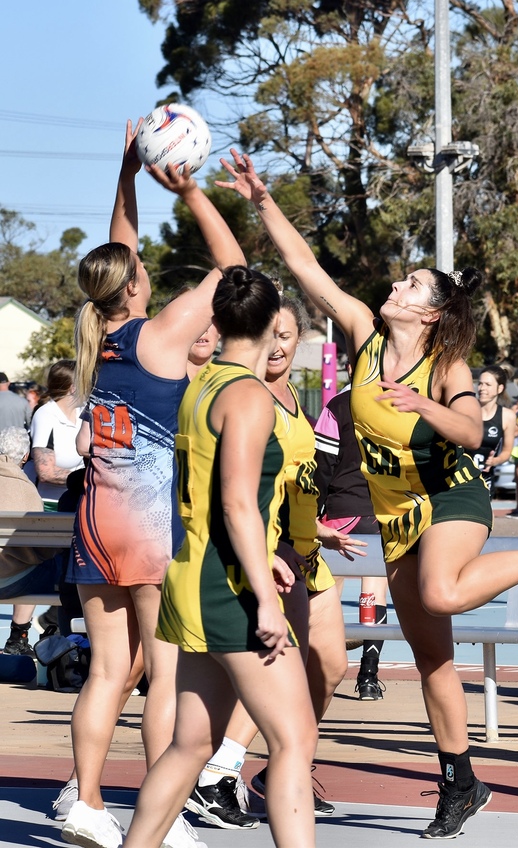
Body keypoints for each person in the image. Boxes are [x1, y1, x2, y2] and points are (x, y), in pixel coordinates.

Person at [215, 148, 518, 839]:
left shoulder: (447, 363)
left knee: (439, 592)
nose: (397, 286)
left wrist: (422, 405)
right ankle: (460, 782)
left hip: (451, 497)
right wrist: (261, 199)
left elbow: (471, 432)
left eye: (411, 284)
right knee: (433, 657)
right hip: (396, 515)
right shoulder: (364, 336)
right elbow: (307, 270)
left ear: (432, 313)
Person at [60, 120, 244, 848]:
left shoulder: (96, 337)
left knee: (108, 671)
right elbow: (235, 272)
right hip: (147, 529)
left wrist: (128, 176)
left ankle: (88, 802)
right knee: (162, 676)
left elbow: (118, 250)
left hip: (94, 521)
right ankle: (154, 821)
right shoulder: (160, 335)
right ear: (135, 284)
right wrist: (192, 193)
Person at [123, 266, 318, 848]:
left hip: (193, 572)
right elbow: (236, 502)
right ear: (273, 323)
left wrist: (263, 557)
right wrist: (262, 594)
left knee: (191, 744)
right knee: (293, 740)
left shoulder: (202, 381)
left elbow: (217, 497)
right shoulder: (249, 395)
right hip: (225, 588)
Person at [187, 292, 345, 825]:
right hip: (268, 553)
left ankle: (235, 769)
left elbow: (297, 479)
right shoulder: (245, 396)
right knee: (287, 709)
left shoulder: (297, 401)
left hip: (302, 550)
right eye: (270, 333)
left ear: (299, 340)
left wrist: (323, 529)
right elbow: (240, 496)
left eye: (286, 335)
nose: (277, 345)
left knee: (329, 666)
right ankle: (227, 771)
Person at [314, 380, 388, 701]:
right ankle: (368, 676)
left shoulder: (337, 406)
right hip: (380, 511)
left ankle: (317, 668)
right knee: (373, 593)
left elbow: (322, 464)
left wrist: (314, 511)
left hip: (341, 510)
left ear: (347, 368)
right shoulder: (395, 403)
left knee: (328, 591)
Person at [0, 426, 65, 657]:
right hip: (11, 582)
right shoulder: (27, 489)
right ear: (25, 457)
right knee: (44, 564)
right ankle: (25, 635)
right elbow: (41, 549)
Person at [30, 360, 84, 511]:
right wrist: (88, 479)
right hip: (49, 505)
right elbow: (46, 472)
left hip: (77, 500)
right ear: (73, 388)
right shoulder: (46, 415)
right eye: (85, 381)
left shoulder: (83, 413)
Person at [473, 366, 517, 497]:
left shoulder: (507, 416)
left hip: (485, 478)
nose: (482, 388)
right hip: (458, 476)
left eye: (487, 384)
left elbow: (507, 452)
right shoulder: (467, 409)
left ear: (500, 388)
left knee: (484, 516)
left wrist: (495, 461)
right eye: (480, 383)